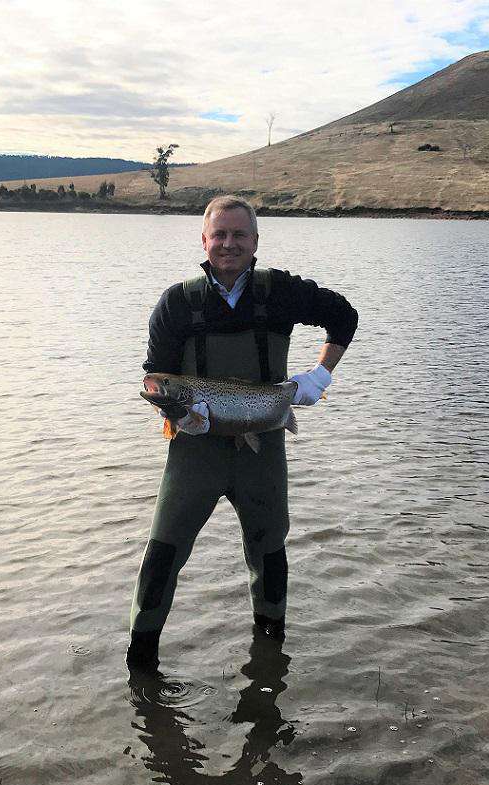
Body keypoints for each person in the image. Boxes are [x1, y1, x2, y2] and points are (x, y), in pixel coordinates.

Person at [126, 195, 358, 667]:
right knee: (161, 556)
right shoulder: (176, 303)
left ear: (255, 241)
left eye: (239, 235)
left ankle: (270, 648)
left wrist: (320, 375)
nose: (228, 244)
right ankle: (141, 666)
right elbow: (156, 377)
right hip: (194, 455)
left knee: (269, 553)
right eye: (219, 235)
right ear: (205, 241)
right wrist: (179, 417)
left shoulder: (280, 292)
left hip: (263, 452)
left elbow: (344, 317)